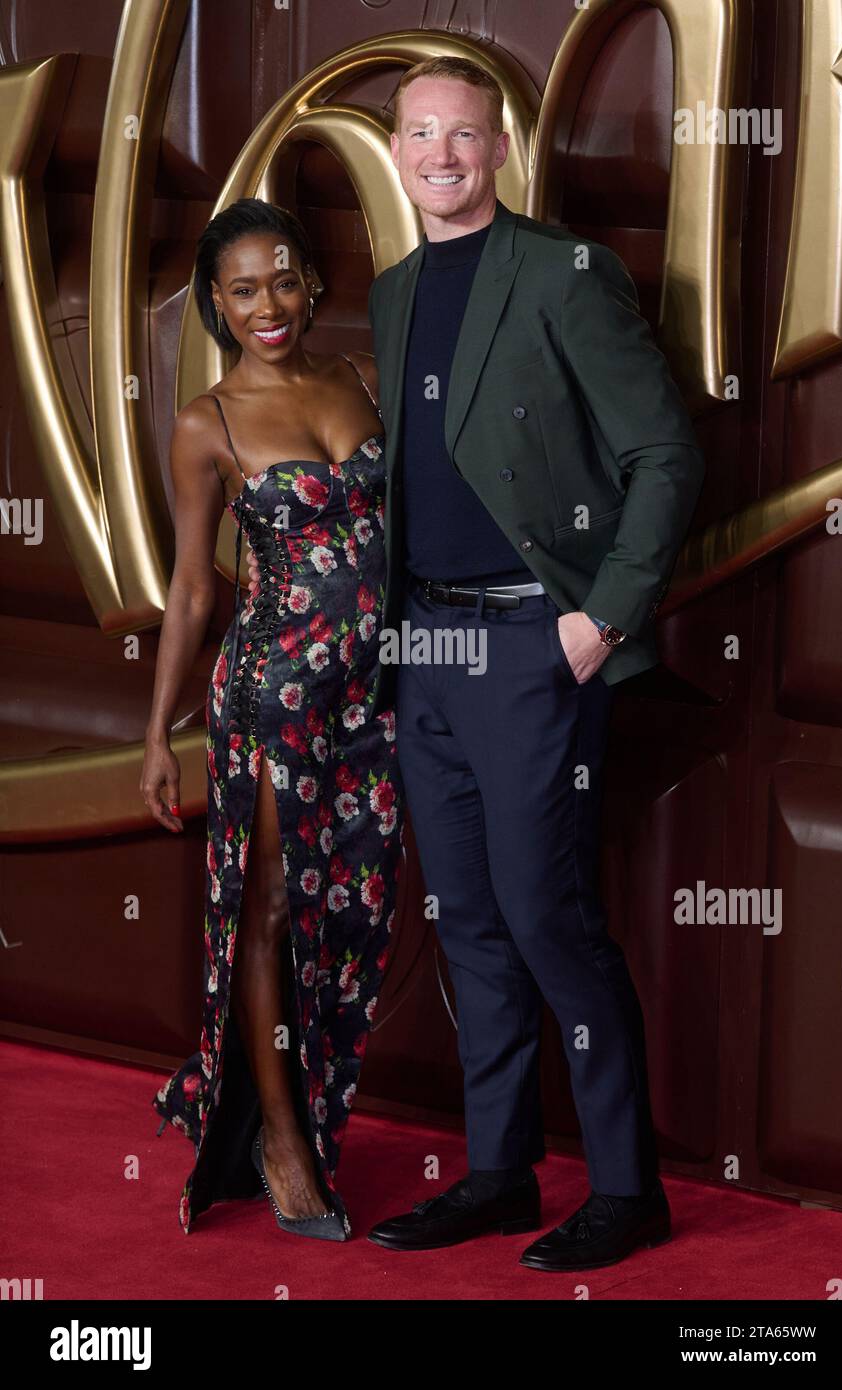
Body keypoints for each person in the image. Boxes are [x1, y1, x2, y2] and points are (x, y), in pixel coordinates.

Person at [358, 56, 705, 1271]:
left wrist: (596, 622)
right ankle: (498, 1173)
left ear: (499, 148)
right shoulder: (395, 291)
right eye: (418, 135)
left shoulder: (560, 273)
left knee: (548, 918)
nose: (440, 155)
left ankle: (625, 1188)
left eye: (463, 134)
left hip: (528, 642)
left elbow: (665, 452)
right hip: (428, 645)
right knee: (467, 925)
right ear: (395, 151)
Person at [141, 197, 403, 1240]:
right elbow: (196, 589)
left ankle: (299, 1104)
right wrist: (158, 730)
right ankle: (280, 1140)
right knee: (272, 910)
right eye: (243, 288)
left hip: (372, 695)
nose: (270, 304)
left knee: (356, 909)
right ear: (215, 302)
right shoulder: (206, 421)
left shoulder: (358, 380)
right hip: (269, 700)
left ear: (311, 282)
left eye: (283, 279)